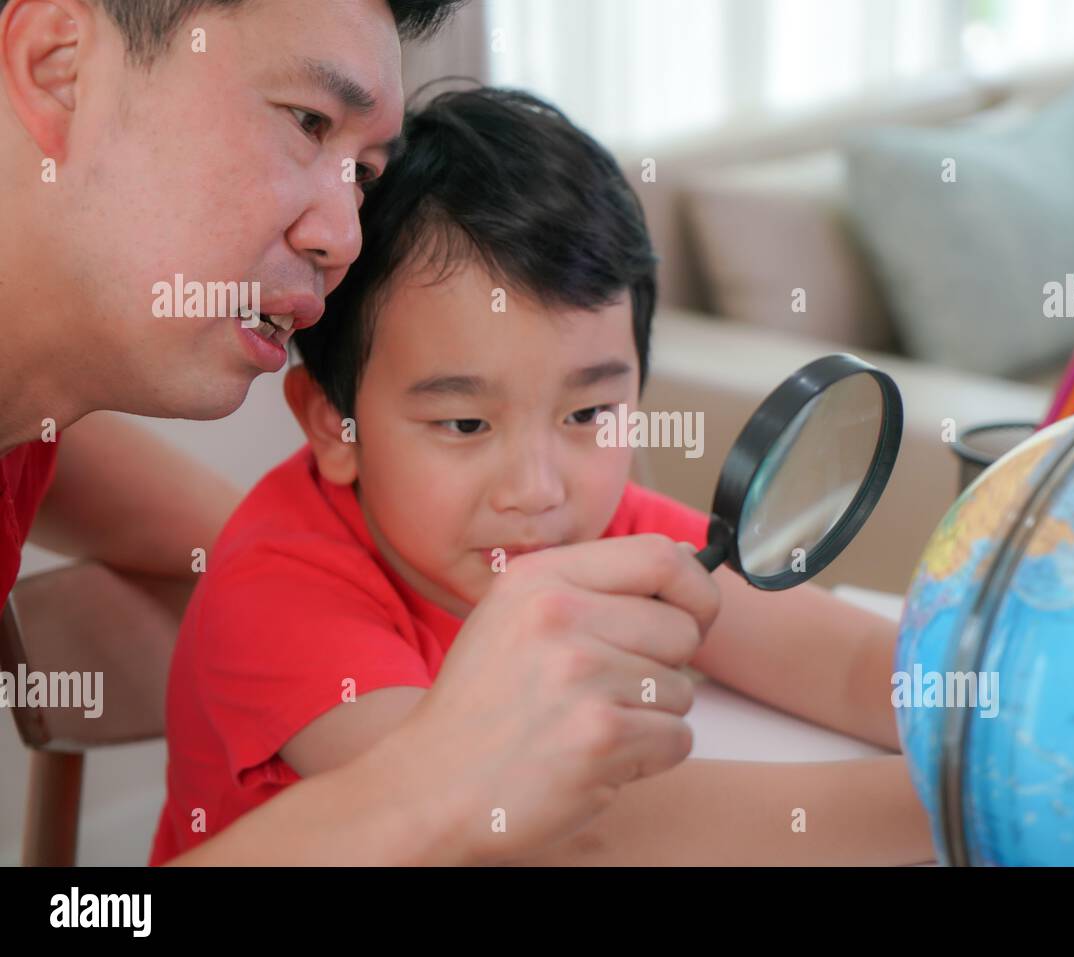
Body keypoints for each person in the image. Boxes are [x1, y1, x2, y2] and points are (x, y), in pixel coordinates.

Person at [0, 0, 720, 866]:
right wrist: (431, 785)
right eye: (307, 122)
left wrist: (281, 562)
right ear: (59, 64)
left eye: (367, 176)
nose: (343, 240)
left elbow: (61, 460)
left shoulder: (30, 414)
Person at [151, 87, 935, 865]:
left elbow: (850, 665)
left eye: (588, 414)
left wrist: (1016, 730)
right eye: (465, 424)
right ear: (335, 424)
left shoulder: (612, 528)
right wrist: (966, 807)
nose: (538, 490)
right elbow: (569, 830)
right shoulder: (279, 596)